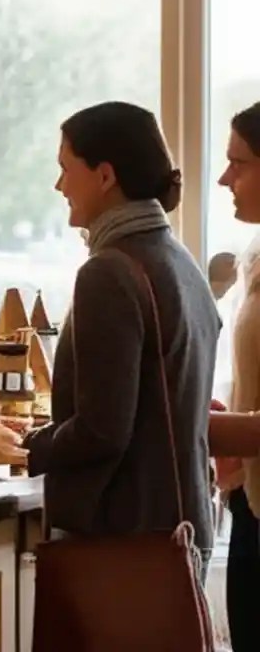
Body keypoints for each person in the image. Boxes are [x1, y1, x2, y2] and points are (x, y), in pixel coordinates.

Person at [0, 101, 218, 570]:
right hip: (179, 532)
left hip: (126, 542)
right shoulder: (181, 263)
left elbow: (102, 432)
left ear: (105, 176)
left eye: (66, 169)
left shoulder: (109, 273)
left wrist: (24, 447)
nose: (59, 185)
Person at [214, 101, 260, 649]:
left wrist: (199, 430)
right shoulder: (253, 255)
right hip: (250, 498)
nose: (225, 177)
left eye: (239, 163)